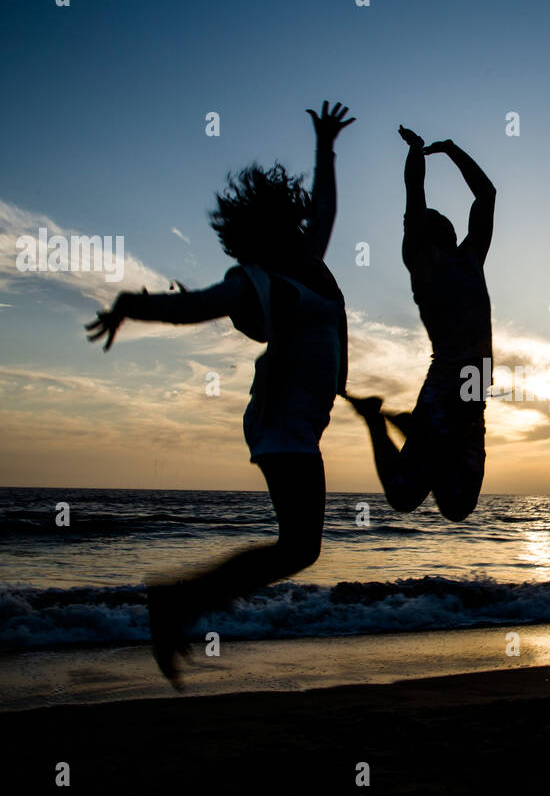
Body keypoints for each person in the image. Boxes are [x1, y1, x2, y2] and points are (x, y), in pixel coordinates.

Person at [84, 101, 355, 687]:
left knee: (299, 547)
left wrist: (326, 146)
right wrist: (134, 305)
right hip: (281, 423)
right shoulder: (258, 282)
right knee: (299, 547)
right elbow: (196, 306)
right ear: (263, 231)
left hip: (302, 423)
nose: (301, 221)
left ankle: (180, 602)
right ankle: (177, 601)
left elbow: (327, 208)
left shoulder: (310, 262)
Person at [347, 127, 495, 522]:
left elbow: (486, 196)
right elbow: (415, 198)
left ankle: (413, 428)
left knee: (458, 506)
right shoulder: (423, 264)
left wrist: (451, 149)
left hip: (474, 385)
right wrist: (416, 151)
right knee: (402, 497)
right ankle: (377, 422)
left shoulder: (470, 257)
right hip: (450, 382)